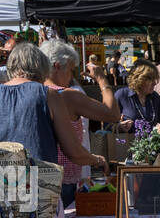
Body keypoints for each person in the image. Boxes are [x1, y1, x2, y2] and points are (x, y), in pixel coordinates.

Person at [0, 41, 107, 176]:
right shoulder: (49, 95)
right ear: (42, 67)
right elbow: (73, 151)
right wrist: (96, 160)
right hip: (38, 183)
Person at [41, 39, 121, 205]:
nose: (71, 76)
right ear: (57, 66)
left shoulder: (33, 92)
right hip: (64, 182)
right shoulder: (68, 96)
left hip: (39, 178)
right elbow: (113, 114)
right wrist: (101, 79)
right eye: (70, 70)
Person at [115, 60, 160, 130]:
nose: (155, 83)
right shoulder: (121, 95)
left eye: (155, 79)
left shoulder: (154, 97)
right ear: (139, 79)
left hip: (151, 141)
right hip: (127, 140)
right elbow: (107, 125)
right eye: (151, 79)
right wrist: (119, 126)